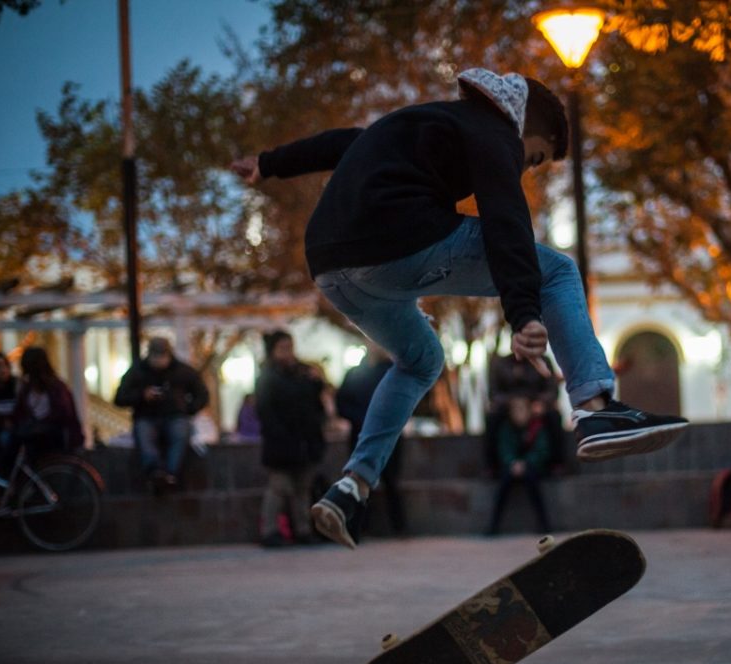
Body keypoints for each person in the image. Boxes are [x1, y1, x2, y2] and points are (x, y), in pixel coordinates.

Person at [231, 68, 687, 548]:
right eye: (534, 158)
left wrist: (269, 162)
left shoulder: (419, 123)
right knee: (556, 271)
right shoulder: (495, 132)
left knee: (420, 360)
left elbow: (344, 142)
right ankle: (596, 408)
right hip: (400, 242)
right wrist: (524, 311)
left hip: (331, 267)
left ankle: (353, 486)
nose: (526, 168)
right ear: (528, 128)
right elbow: (505, 216)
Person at [254, 330, 329, 547]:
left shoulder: (303, 373)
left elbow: (314, 404)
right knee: (279, 487)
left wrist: (317, 384)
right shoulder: (268, 377)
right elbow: (266, 412)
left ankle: (303, 529)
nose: (288, 353)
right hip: (281, 443)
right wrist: (281, 434)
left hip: (305, 441)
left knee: (302, 488)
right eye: (282, 348)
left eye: (289, 347)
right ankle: (269, 530)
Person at [114, 337, 209, 492]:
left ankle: (170, 474)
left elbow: (202, 394)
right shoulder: (138, 371)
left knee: (179, 433)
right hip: (146, 417)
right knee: (145, 435)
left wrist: (187, 408)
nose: (158, 361)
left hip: (176, 416)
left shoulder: (183, 371)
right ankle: (155, 471)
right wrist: (142, 396)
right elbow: (119, 398)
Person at [336, 345, 407, 536]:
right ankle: (360, 526)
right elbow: (342, 404)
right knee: (360, 482)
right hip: (362, 436)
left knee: (391, 481)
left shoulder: (394, 373)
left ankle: (398, 526)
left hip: (386, 437)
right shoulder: (355, 374)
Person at [486, 395, 553, 536]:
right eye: (516, 410)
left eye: (522, 410)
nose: (519, 414)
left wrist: (526, 463)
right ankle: (494, 526)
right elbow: (504, 449)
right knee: (503, 486)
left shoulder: (537, 427)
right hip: (511, 467)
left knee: (533, 484)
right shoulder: (506, 428)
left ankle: (544, 523)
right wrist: (512, 463)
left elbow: (542, 450)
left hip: (532, 467)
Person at [10, 347, 84, 465]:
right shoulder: (26, 388)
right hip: (39, 433)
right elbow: (18, 412)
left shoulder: (56, 388)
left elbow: (63, 414)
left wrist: (37, 424)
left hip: (54, 435)